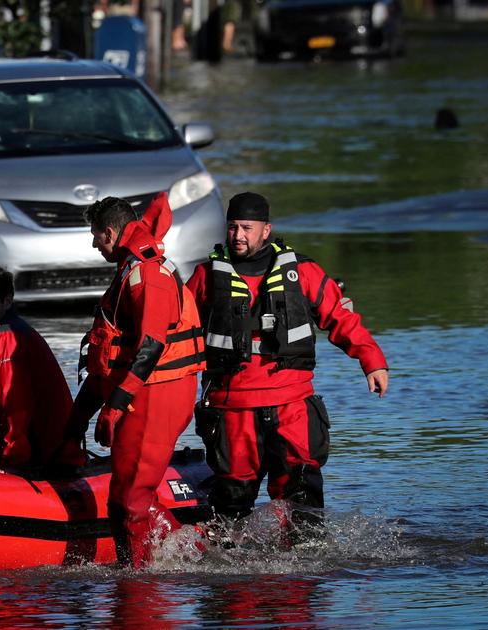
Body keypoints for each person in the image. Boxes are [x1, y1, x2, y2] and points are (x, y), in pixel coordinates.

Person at [185, 191, 389, 530]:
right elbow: (177, 331)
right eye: (233, 227)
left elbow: (341, 318)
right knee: (230, 506)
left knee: (303, 501)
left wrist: (372, 361)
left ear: (266, 230)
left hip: (292, 405)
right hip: (234, 408)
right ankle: (230, 561)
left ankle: (307, 562)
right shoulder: (206, 277)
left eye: (247, 228)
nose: (238, 236)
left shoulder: (303, 271)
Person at [66, 193, 206, 567]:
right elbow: (113, 354)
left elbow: (151, 345)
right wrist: (79, 417)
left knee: (129, 501)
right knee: (128, 496)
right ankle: (192, 556)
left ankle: (138, 583)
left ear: (110, 233)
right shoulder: (131, 270)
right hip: (144, 392)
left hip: (156, 394)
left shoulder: (147, 275)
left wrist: (115, 406)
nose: (94, 245)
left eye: (95, 237)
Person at [0, 265, 85, 475]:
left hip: (47, 463)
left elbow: (14, 407)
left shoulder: (6, 338)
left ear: (7, 301)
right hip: (52, 456)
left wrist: (12, 464)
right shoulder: (10, 332)